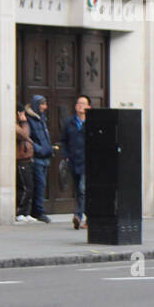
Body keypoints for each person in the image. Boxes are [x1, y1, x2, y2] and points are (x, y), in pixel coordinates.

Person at [60, 95, 90, 229]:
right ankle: (89, 217)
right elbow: (63, 140)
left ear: (89, 107)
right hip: (74, 160)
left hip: (87, 161)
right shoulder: (69, 122)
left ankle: (78, 215)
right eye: (79, 103)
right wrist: (66, 155)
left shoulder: (91, 122)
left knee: (83, 189)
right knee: (79, 190)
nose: (81, 106)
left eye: (84, 103)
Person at [25, 95, 53, 223]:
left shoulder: (41, 118)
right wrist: (39, 149)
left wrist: (49, 149)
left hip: (45, 156)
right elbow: (28, 138)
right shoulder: (30, 119)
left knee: (42, 184)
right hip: (37, 158)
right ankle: (38, 211)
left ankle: (37, 209)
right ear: (36, 105)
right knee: (40, 184)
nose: (45, 107)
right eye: (42, 104)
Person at [15, 105, 34, 223]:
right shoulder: (16, 124)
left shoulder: (20, 124)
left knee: (29, 187)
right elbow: (24, 135)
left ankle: (26, 212)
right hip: (20, 159)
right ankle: (20, 212)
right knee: (26, 187)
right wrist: (24, 122)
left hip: (26, 159)